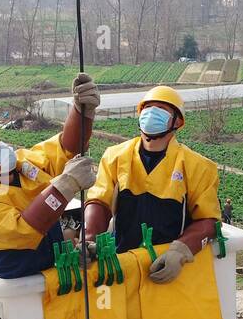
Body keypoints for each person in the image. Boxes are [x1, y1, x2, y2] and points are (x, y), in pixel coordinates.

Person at [0, 73, 101, 278]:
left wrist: (81, 112)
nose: (0, 149)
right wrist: (67, 184)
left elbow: (65, 148)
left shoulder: (24, 165)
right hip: (18, 286)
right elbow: (27, 228)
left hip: (52, 272)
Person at [83, 85, 221, 283]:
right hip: (125, 263)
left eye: (161, 109)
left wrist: (181, 250)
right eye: (147, 108)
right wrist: (89, 238)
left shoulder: (197, 166)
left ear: (177, 122)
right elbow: (98, 201)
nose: (151, 114)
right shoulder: (115, 156)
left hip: (168, 268)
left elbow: (209, 221)